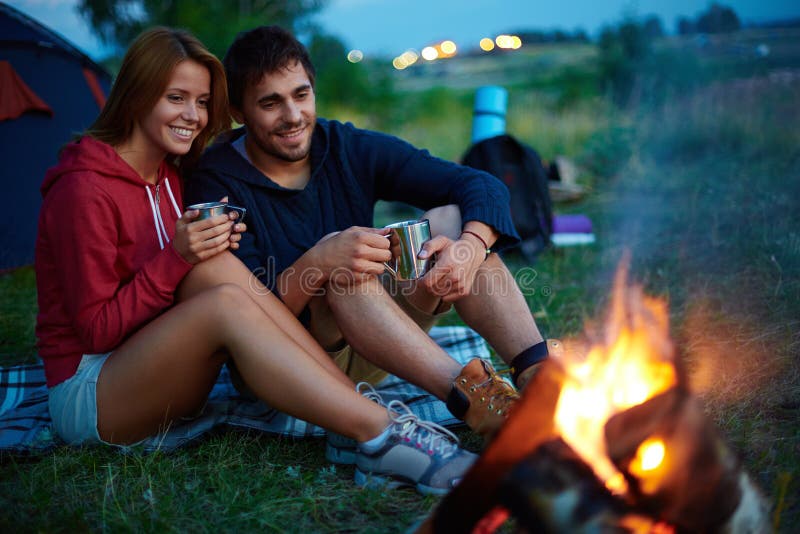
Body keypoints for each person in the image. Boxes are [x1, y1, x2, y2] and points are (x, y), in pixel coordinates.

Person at [34, 27, 476, 496]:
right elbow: (97, 332)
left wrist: (194, 256)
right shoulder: (84, 190)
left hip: (155, 368)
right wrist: (177, 259)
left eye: (202, 102)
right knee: (220, 297)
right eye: (176, 98)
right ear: (136, 96)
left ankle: (352, 418)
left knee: (216, 270)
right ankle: (380, 432)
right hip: (94, 394)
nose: (193, 116)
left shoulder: (167, 174)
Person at [184, 25, 554, 458]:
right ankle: (474, 398)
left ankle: (538, 373)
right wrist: (318, 263)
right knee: (345, 268)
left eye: (301, 95)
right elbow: (246, 317)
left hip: (380, 342)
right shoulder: (216, 182)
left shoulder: (345, 145)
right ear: (239, 111)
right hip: (290, 367)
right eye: (270, 103)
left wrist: (471, 246)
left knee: (452, 220)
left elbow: (479, 184)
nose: (293, 116)